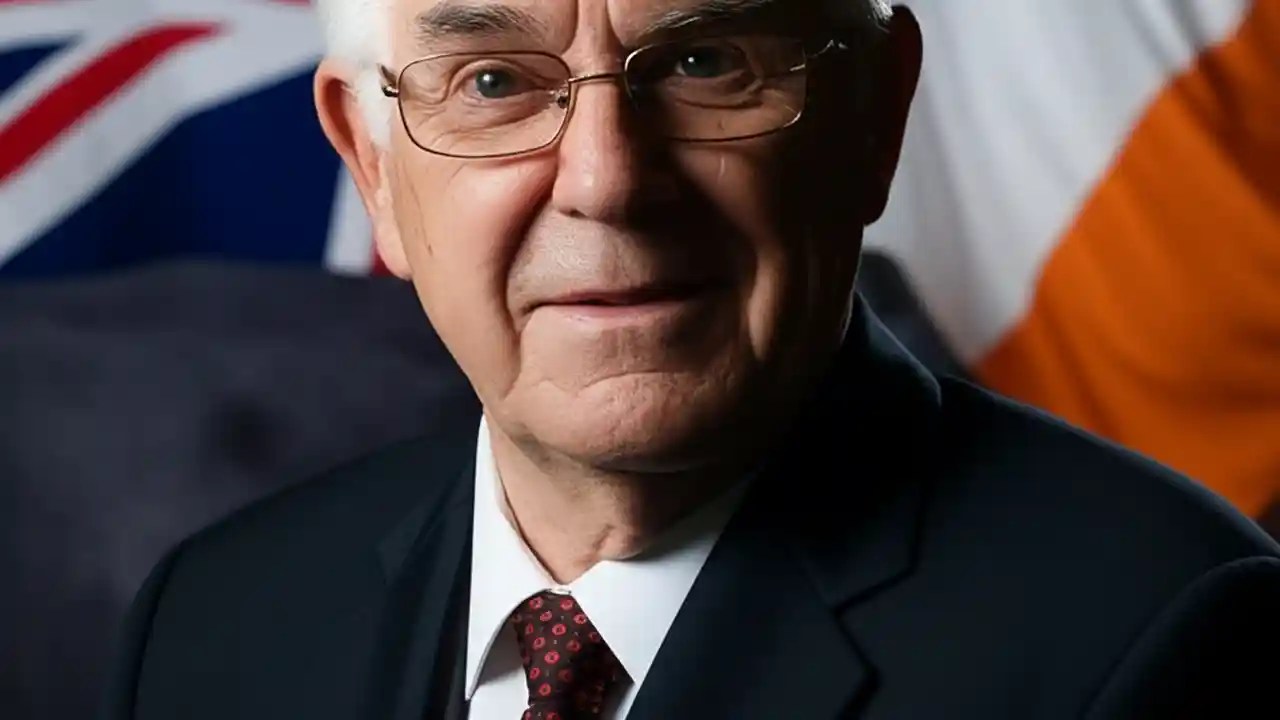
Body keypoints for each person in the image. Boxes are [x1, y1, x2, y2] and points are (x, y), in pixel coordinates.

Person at [102, 1, 1280, 718]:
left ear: (873, 114)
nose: (607, 178)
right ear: (372, 168)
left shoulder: (1163, 634)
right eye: (495, 82)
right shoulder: (213, 622)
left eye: (704, 62)